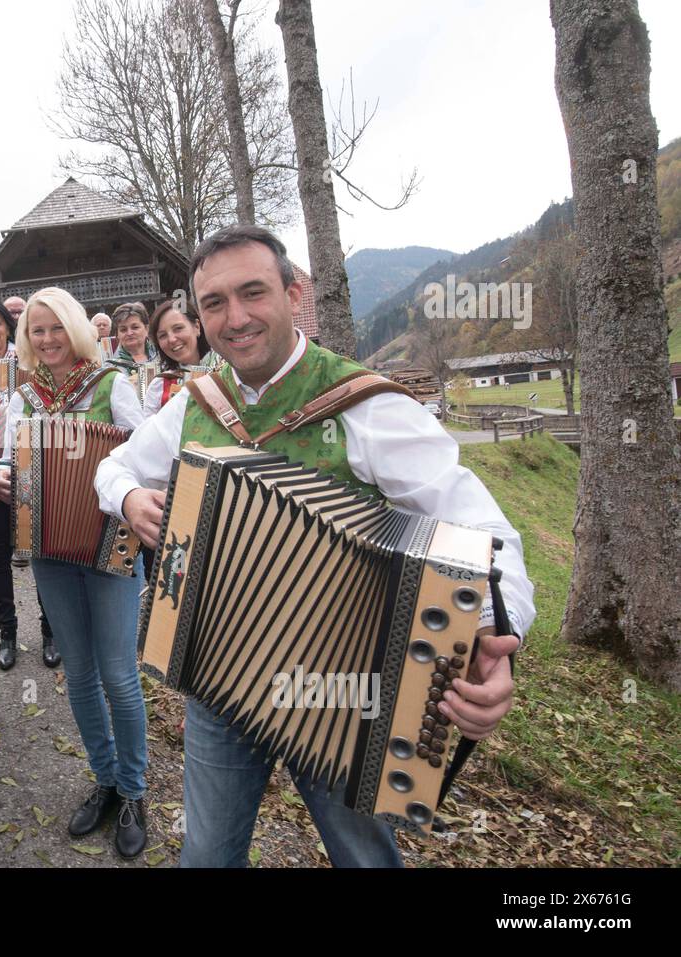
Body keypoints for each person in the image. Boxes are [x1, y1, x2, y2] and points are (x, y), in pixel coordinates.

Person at [95, 224, 536, 868]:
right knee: (206, 856)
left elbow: (486, 534)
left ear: (293, 293)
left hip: (341, 691)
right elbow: (115, 469)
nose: (235, 318)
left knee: (364, 857)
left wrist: (498, 636)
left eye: (253, 293)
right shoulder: (196, 404)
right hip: (219, 677)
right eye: (213, 303)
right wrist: (132, 499)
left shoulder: (364, 404)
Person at [0, 287, 149, 859]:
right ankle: (105, 779)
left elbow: (146, 455)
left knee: (118, 675)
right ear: (26, 338)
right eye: (37, 330)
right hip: (51, 545)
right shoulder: (23, 399)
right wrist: (2, 478)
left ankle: (134, 791)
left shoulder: (113, 385)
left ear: (76, 329)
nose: (48, 338)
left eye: (57, 327)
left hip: (111, 545)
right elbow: (9, 462)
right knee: (79, 675)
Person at [0, 301, 60, 672]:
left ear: (8, 327)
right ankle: (7, 631)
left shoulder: (32, 364)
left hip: (34, 470)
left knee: (40, 552)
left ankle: (51, 631)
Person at [142, 300, 216, 417]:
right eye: (163, 335)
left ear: (197, 327)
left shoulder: (228, 370)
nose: (171, 339)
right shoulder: (159, 386)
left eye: (178, 328)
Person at [107, 301, 158, 372]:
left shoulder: (162, 357)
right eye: (123, 329)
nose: (129, 333)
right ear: (117, 334)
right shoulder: (111, 369)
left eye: (135, 327)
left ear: (146, 329)